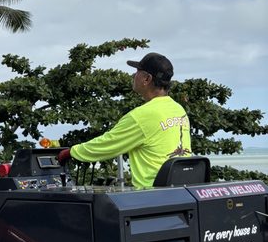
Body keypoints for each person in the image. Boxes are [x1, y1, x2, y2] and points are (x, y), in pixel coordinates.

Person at [56, 52, 191, 189]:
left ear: (146, 79)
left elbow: (107, 145)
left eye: (137, 71)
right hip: (180, 193)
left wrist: (71, 152)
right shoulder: (178, 110)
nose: (134, 75)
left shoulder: (142, 116)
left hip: (152, 196)